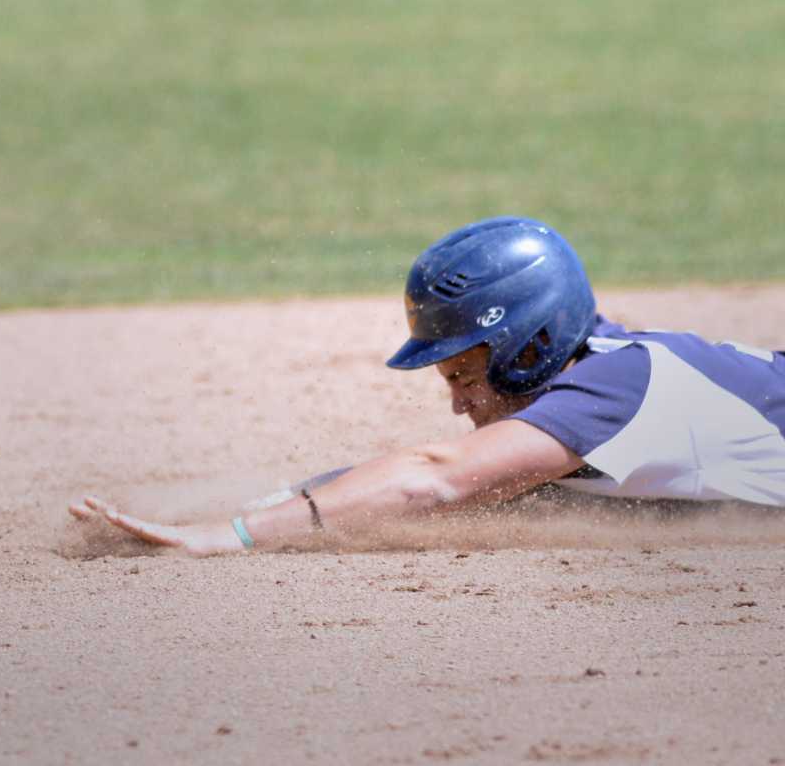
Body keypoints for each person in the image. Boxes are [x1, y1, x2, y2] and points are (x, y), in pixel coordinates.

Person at [73, 216, 785, 555]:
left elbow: (431, 480)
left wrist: (226, 535)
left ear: (531, 342)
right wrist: (268, 504)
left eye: (465, 373)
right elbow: (387, 488)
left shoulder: (615, 390)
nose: (458, 402)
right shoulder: (589, 378)